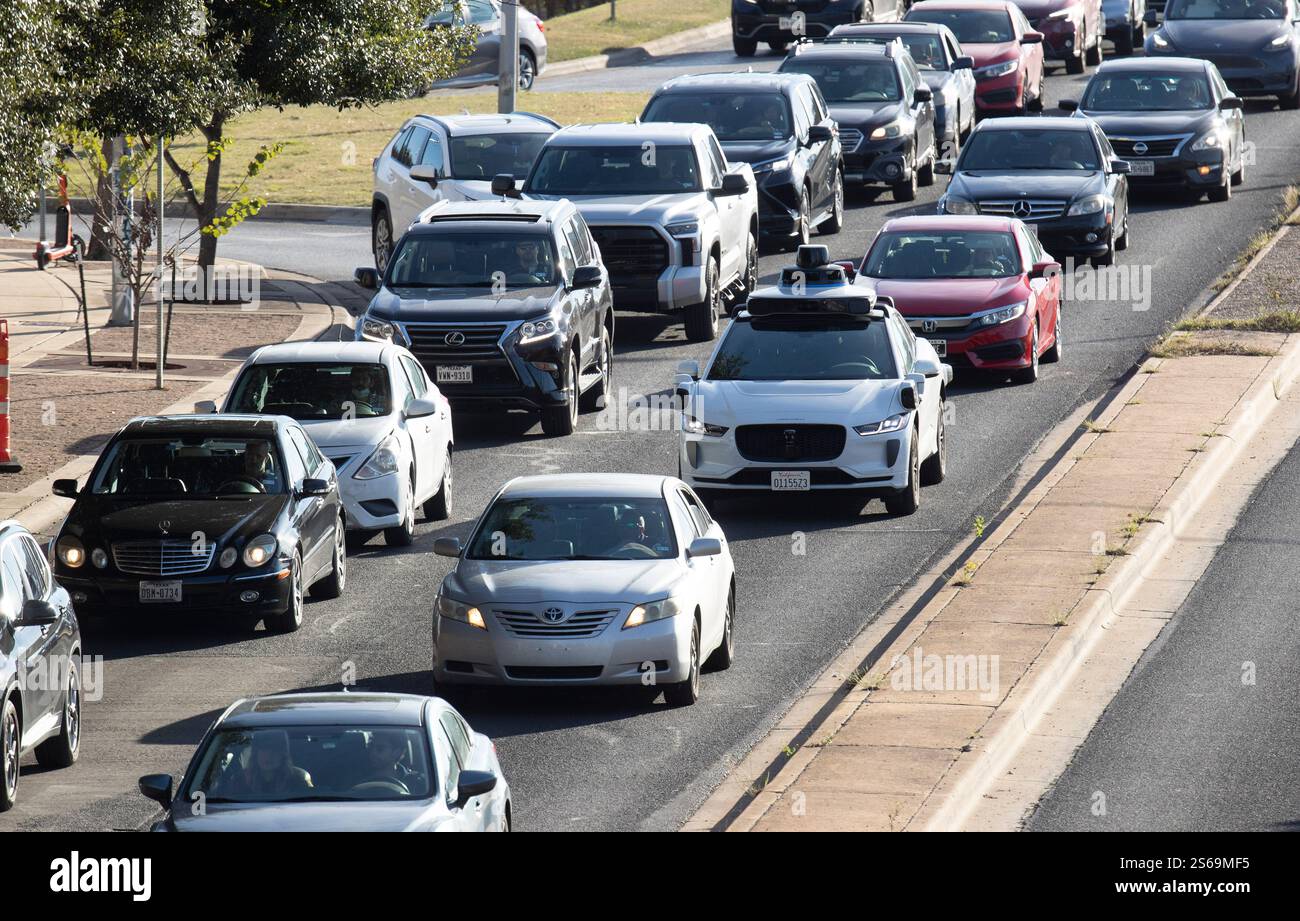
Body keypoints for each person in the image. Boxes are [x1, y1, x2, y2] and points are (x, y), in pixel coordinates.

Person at [218, 730, 313, 797]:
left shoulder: (298, 779)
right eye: (263, 750)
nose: (268, 756)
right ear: (256, 754)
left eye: (274, 750)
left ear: (283, 755)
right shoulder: (239, 781)